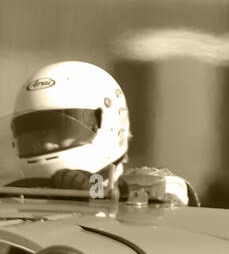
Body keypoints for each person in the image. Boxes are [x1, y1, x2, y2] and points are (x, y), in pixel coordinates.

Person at [10, 61, 196, 205]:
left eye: (61, 131)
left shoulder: (140, 188)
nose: (46, 144)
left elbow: (176, 194)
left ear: (111, 124)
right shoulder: (16, 198)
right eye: (34, 134)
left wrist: (96, 192)